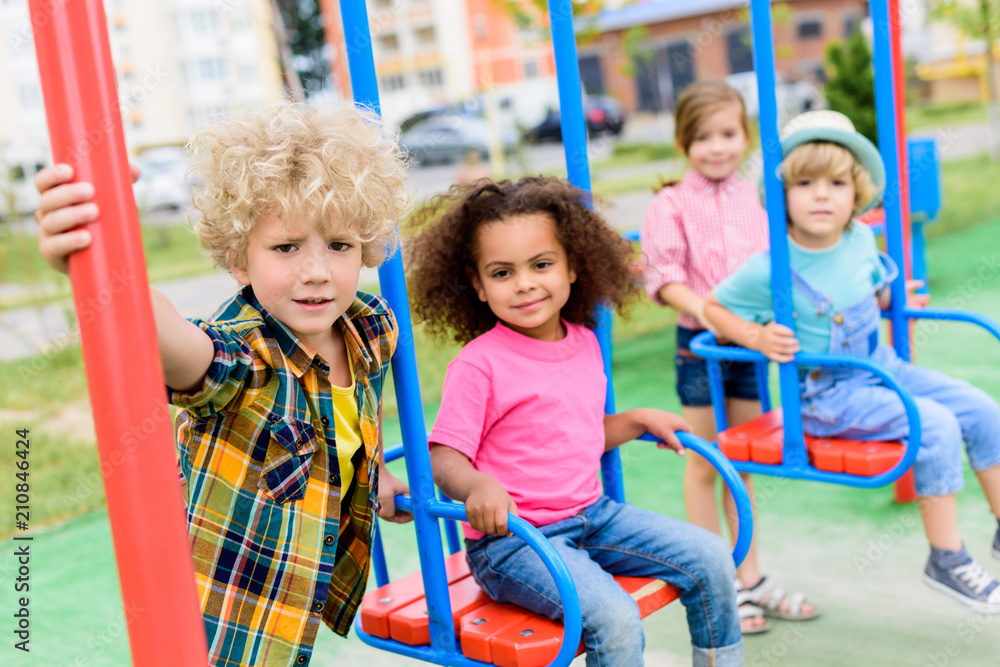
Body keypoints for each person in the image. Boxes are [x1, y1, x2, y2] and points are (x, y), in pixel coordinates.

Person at [34, 102, 415, 665]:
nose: (317, 271)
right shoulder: (245, 357)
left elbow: (348, 418)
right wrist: (98, 255)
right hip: (225, 621)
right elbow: (166, 338)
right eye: (286, 248)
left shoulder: (370, 328)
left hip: (298, 608)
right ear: (239, 260)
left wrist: (369, 470)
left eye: (339, 246)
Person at [405, 176, 744, 667]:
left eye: (541, 265)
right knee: (615, 617)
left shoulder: (583, 342)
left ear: (572, 268)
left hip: (593, 517)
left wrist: (636, 419)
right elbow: (444, 455)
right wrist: (477, 485)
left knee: (711, 556)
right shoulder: (480, 364)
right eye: (502, 273)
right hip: (514, 543)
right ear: (478, 285)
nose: (524, 283)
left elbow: (577, 433)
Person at [705, 109, 1000, 614]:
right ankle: (946, 558)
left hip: (882, 366)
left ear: (856, 193)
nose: (822, 194)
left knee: (981, 408)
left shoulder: (861, 238)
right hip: (827, 397)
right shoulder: (772, 265)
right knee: (935, 425)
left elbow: (873, 290)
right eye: (805, 182)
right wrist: (756, 336)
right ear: (782, 196)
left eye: (836, 182)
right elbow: (713, 308)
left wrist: (894, 297)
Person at [640, 80, 817, 632]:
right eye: (702, 137)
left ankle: (752, 576)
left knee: (745, 461)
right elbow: (665, 278)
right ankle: (717, 579)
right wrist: (719, 315)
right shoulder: (670, 203)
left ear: (745, 136)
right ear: (683, 142)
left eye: (728, 134)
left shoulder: (758, 197)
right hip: (701, 348)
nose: (717, 147)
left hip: (749, 345)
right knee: (706, 460)